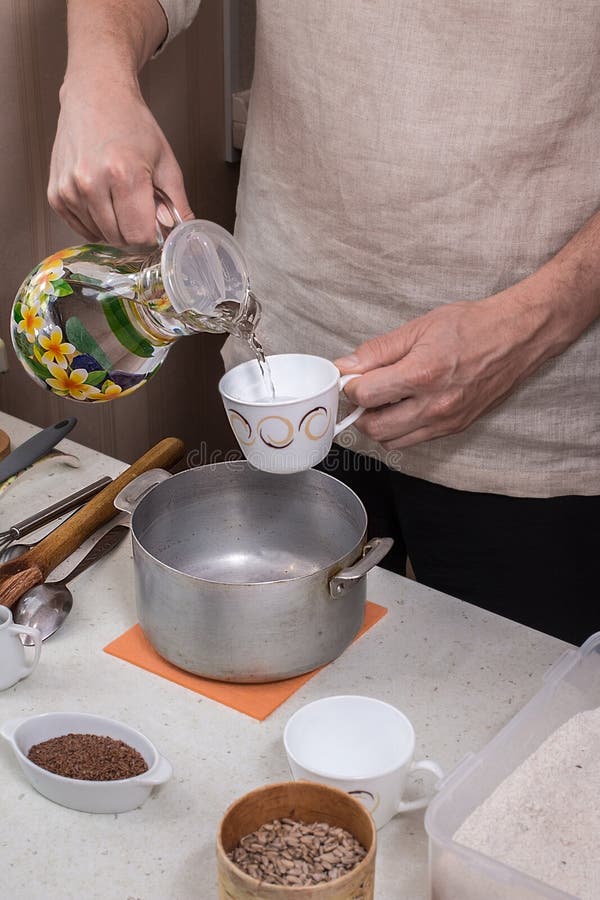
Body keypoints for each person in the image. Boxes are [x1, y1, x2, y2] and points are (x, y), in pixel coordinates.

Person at [49, 0, 600, 644]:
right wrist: (96, 80)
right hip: (297, 356)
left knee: (519, 709)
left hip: (537, 410)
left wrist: (533, 324)